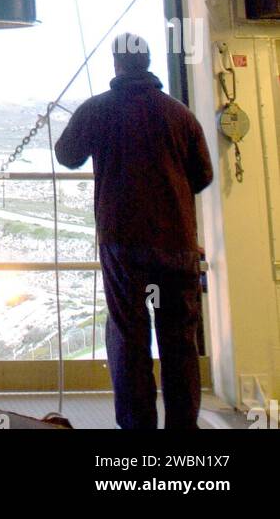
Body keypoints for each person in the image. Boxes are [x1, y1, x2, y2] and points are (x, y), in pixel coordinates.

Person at [55, 32, 214, 431]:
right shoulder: (180, 115)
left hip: (123, 243)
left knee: (129, 336)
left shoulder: (98, 110)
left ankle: (137, 426)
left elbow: (67, 154)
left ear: (116, 64)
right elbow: (203, 175)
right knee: (179, 337)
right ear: (148, 61)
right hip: (176, 243)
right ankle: (182, 428)